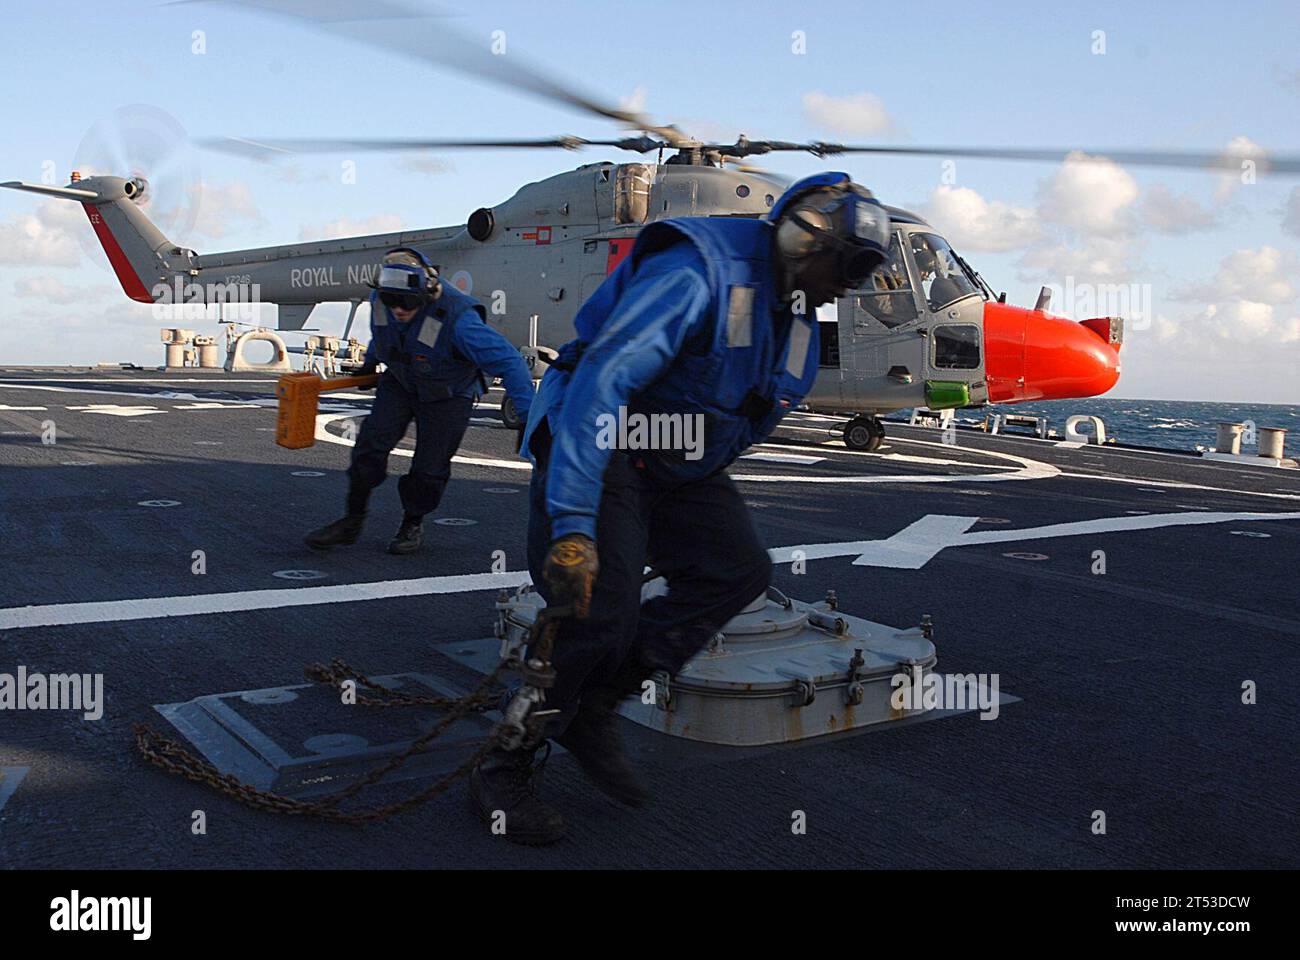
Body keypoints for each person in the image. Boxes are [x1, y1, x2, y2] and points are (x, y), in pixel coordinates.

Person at [468, 173, 891, 844]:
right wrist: (576, 528)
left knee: (738, 571)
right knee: (597, 615)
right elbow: (605, 379)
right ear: (799, 240)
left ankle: (594, 706)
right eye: (843, 266)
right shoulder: (699, 270)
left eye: (856, 274)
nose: (846, 286)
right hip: (601, 431)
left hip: (676, 456)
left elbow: (747, 419)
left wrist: (684, 496)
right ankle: (504, 761)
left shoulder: (803, 328)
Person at [306, 247, 534, 555]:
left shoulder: (458, 320)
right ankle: (351, 520)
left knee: (429, 468)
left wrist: (527, 416)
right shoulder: (382, 301)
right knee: (370, 448)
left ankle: (412, 522)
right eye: (391, 300)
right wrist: (371, 362)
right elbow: (384, 333)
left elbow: (511, 362)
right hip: (400, 382)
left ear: (427, 292)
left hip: (448, 395)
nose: (398, 309)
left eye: (407, 302)